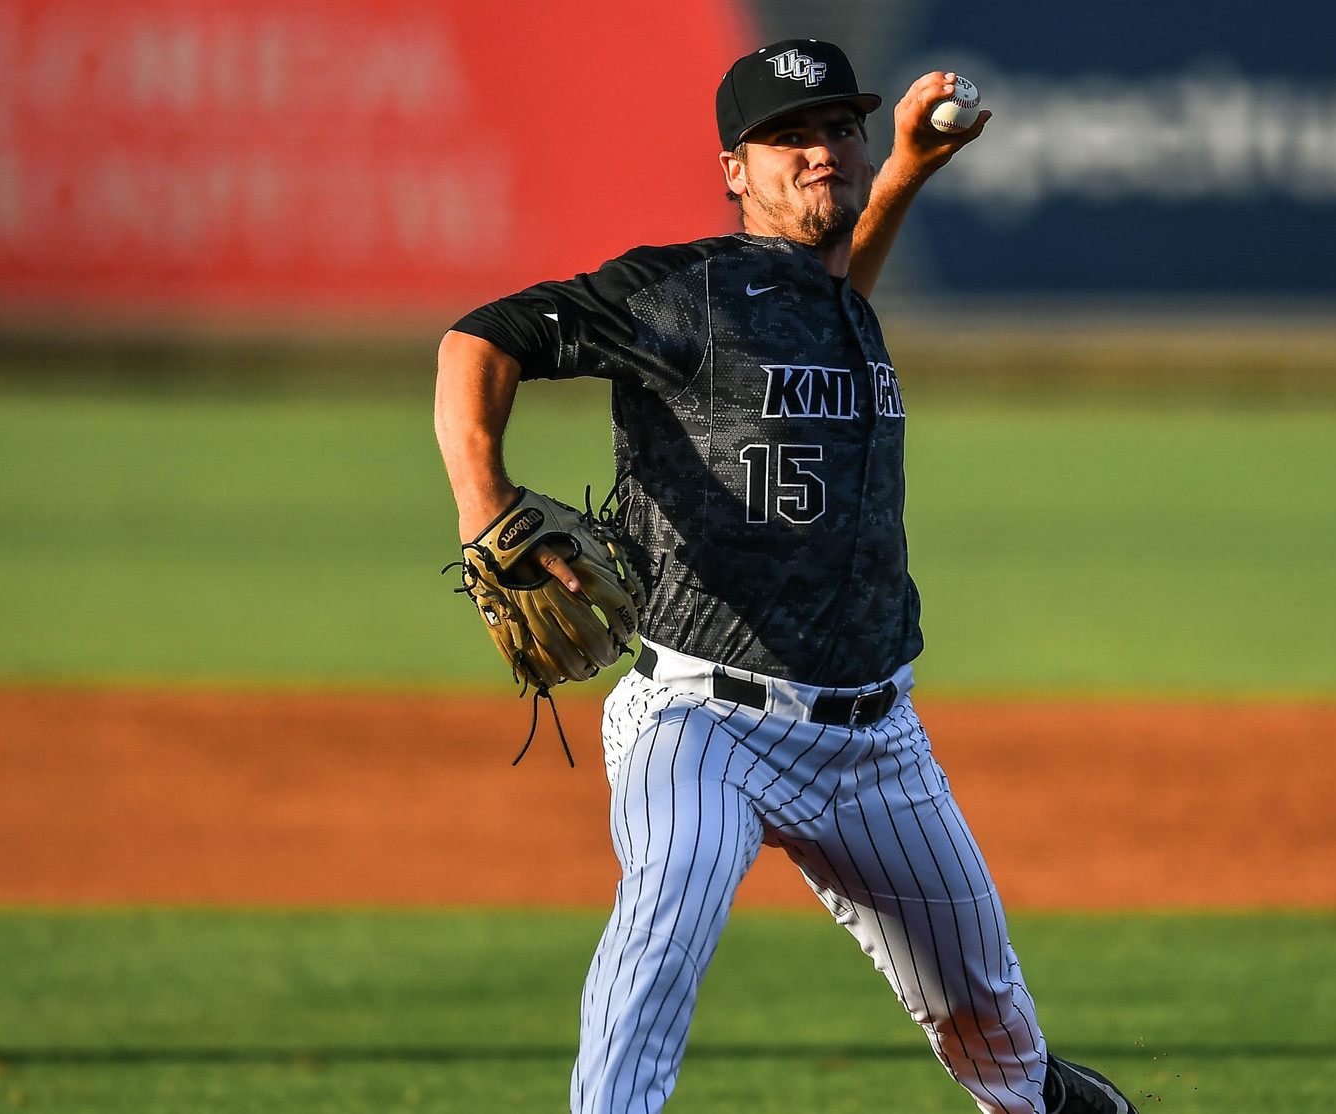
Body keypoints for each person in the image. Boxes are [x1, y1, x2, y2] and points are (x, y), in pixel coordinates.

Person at [434, 39, 1137, 1114]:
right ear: (734, 169)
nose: (821, 151)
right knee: (661, 929)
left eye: (838, 130)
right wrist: (485, 505)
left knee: (993, 1027)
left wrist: (905, 167)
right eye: (788, 137)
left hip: (876, 742)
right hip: (701, 720)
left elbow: (825, 287)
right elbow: (479, 341)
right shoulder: (684, 291)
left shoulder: (836, 296)